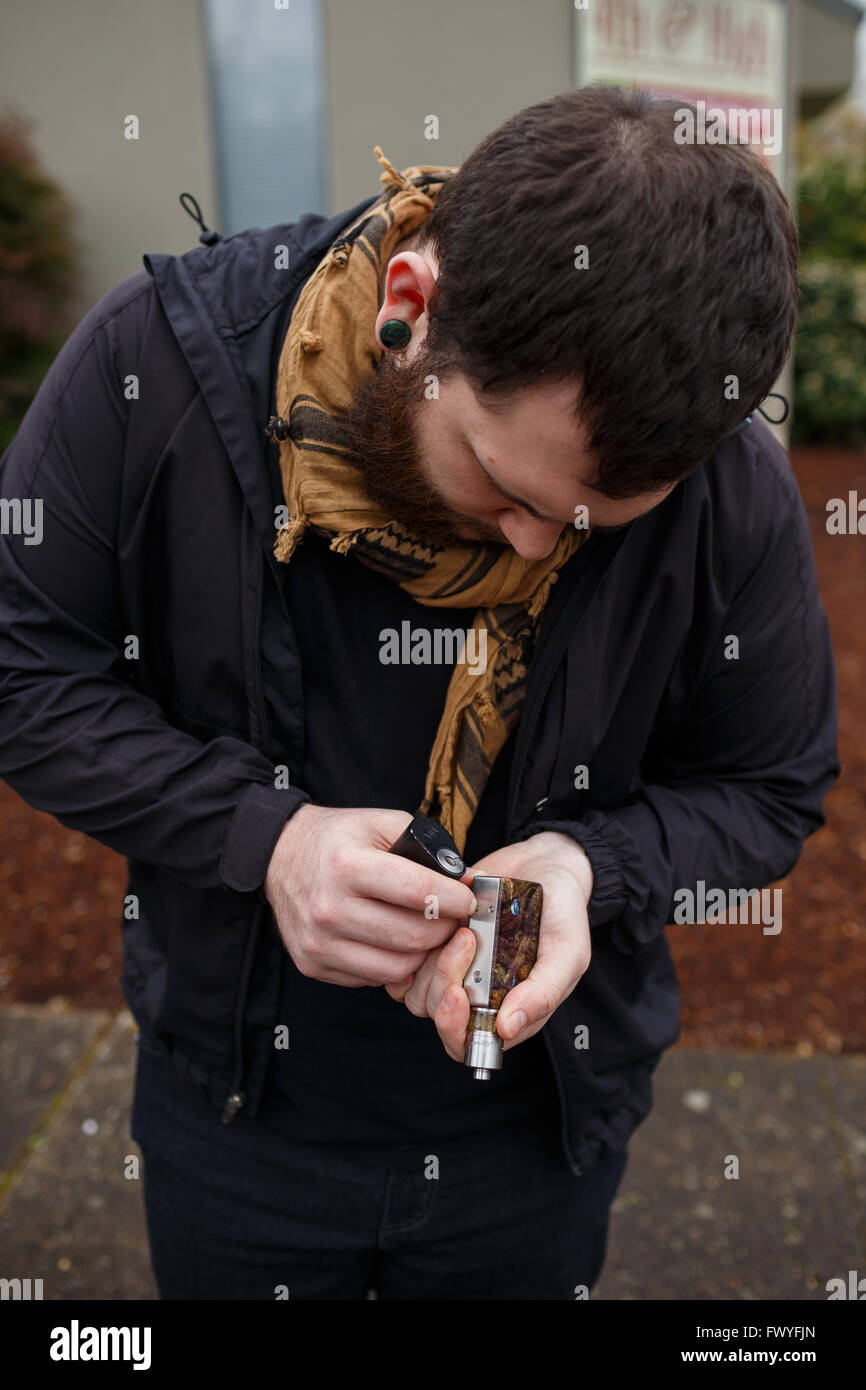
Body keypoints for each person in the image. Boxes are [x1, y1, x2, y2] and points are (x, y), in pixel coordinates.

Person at [0, 86, 839, 1300]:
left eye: (593, 525)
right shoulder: (160, 365)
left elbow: (767, 787)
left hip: (536, 1140)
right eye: (504, 487)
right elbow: (22, 666)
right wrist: (266, 840)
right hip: (234, 1117)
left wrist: (585, 866)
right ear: (411, 308)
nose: (539, 547)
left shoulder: (722, 485)